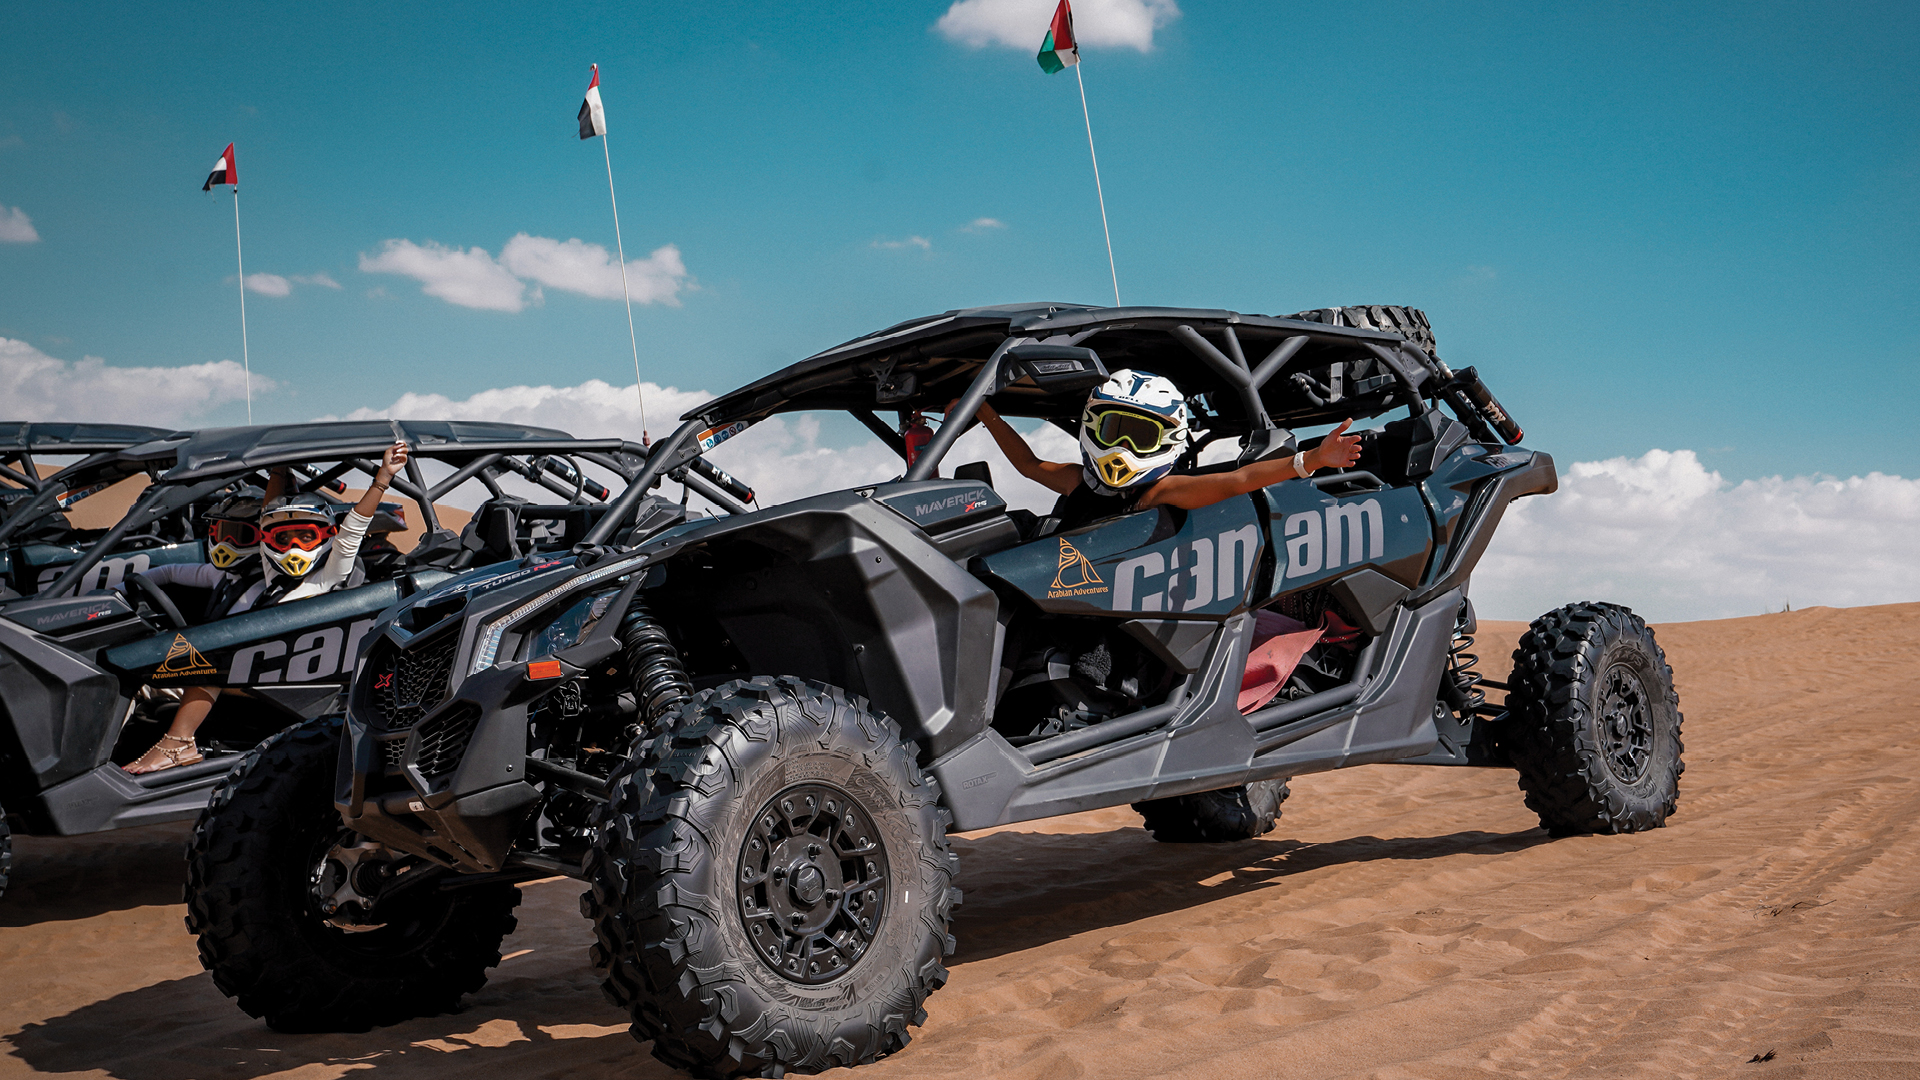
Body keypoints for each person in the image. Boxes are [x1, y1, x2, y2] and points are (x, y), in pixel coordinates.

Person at [123, 441, 410, 774]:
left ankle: (178, 743)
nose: (293, 548)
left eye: (305, 537)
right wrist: (279, 466)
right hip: (258, 668)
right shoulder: (272, 573)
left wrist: (382, 478)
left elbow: (353, 529)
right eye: (283, 539)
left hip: (291, 677)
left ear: (324, 536)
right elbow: (267, 513)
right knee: (161, 670)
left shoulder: (328, 577)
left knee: (211, 660)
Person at [953, 368, 1363, 526]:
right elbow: (1027, 463)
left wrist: (1311, 460)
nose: (1124, 446)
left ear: (1166, 441)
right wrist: (986, 413)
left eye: (1142, 436)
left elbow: (1239, 480)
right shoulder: (1079, 481)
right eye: (1115, 430)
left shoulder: (1159, 492)